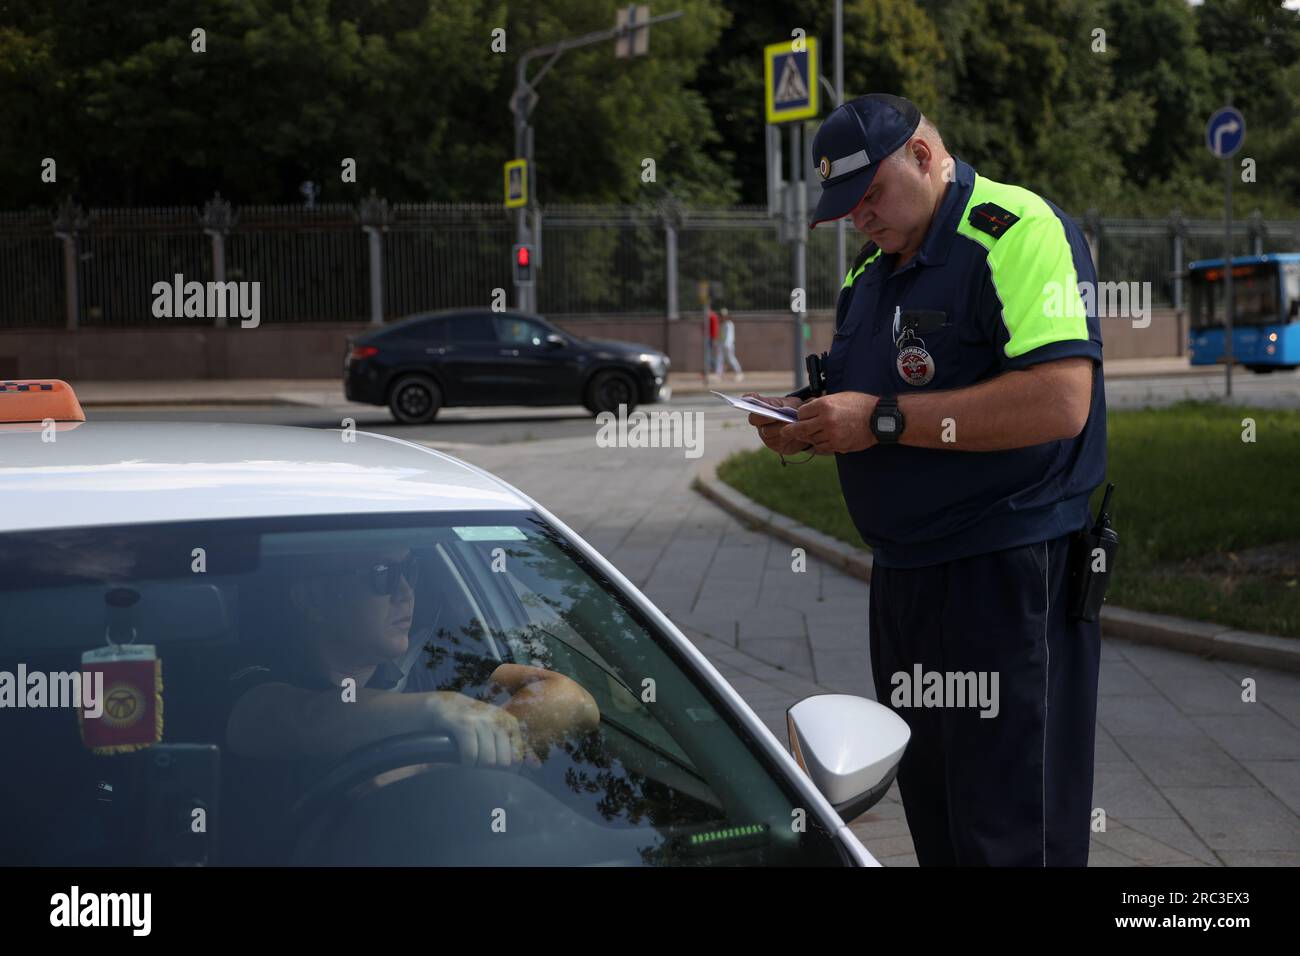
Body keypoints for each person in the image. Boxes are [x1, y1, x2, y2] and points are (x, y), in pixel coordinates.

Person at [746, 93, 1107, 866]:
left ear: (921, 154)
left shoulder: (1017, 231)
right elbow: (864, 388)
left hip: (1007, 573)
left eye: (869, 195)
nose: (860, 219)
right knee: (940, 818)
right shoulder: (872, 271)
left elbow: (1062, 399)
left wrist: (875, 420)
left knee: (1009, 825)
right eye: (845, 207)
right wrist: (806, 419)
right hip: (908, 579)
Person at [715, 307, 743, 381]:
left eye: (723, 315)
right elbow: (721, 335)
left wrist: (727, 344)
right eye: (721, 315)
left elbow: (730, 336)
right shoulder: (722, 324)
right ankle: (719, 374)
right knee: (719, 359)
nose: (722, 317)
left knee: (731, 358)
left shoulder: (729, 324)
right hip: (721, 344)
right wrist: (718, 342)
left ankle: (739, 373)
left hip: (728, 345)